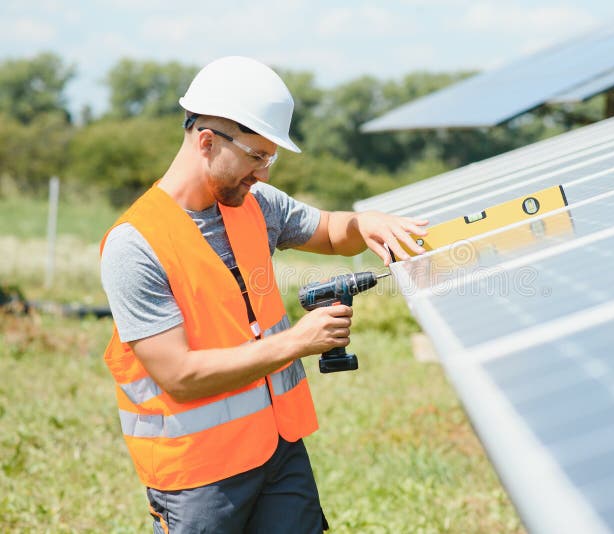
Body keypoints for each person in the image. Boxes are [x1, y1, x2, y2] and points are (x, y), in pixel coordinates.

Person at [99, 55, 428, 533]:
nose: (264, 174)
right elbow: (180, 375)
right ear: (207, 141)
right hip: (199, 479)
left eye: (269, 158)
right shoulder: (135, 244)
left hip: (277, 451)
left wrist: (366, 223)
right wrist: (299, 340)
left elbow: (333, 232)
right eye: (257, 157)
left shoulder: (256, 204)